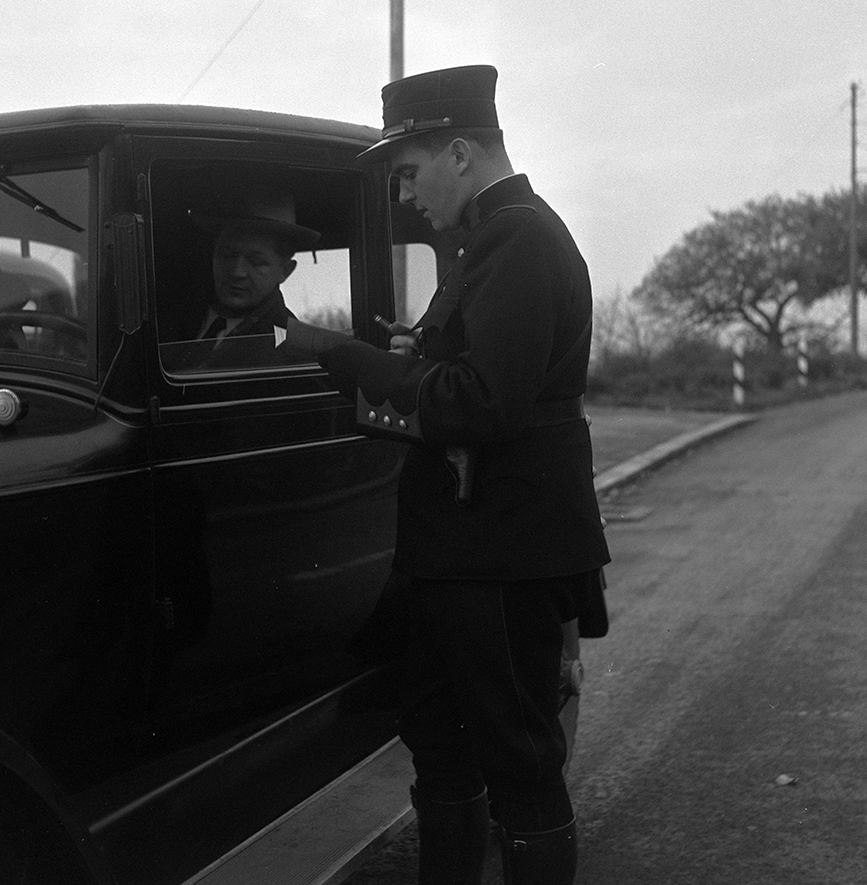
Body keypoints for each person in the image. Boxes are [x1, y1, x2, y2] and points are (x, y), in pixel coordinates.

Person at [294, 65, 610, 885]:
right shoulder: (488, 241)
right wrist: (418, 354)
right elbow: (473, 368)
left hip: (502, 551)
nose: (401, 196)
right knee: (438, 741)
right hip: (464, 549)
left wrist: (349, 356)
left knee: (518, 758)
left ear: (461, 153)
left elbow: (483, 403)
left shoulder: (518, 237)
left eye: (407, 173)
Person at [189, 188, 320, 369]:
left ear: (285, 271)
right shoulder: (174, 316)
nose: (237, 272)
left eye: (256, 261)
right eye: (227, 255)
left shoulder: (293, 352)